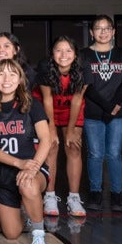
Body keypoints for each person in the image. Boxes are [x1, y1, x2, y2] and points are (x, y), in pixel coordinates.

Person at [0, 59, 51, 244]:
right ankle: (29, 205)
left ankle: (38, 234)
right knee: (12, 233)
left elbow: (46, 140)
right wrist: (19, 164)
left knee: (27, 185)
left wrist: (32, 168)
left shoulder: (31, 104)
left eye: (12, 74)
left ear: (20, 79)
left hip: (33, 170)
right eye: (1, 74)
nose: (6, 79)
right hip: (5, 174)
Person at [81, 16, 122, 212]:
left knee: (114, 153)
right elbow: (88, 86)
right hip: (93, 112)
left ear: (113, 32)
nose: (103, 32)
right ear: (92, 32)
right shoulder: (84, 54)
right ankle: (95, 192)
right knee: (95, 154)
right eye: (98, 28)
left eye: (107, 28)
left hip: (119, 113)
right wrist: (106, 107)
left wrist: (115, 107)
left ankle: (117, 194)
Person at [37, 36, 87, 218]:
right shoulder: (45, 67)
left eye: (68, 50)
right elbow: (47, 99)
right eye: (59, 50)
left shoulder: (83, 68)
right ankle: (50, 196)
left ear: (75, 54)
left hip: (70, 109)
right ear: (52, 53)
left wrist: (71, 131)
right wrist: (51, 130)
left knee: (73, 147)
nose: (63, 54)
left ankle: (74, 198)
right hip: (48, 108)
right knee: (51, 146)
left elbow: (77, 100)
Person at [0, 32, 37, 100]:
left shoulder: (27, 71)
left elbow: (25, 95)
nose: (1, 50)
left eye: (6, 46)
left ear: (16, 50)